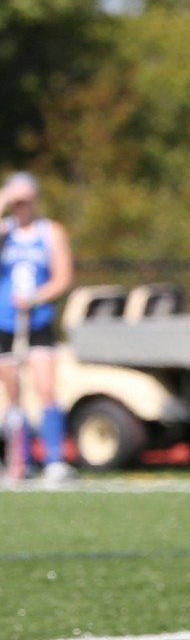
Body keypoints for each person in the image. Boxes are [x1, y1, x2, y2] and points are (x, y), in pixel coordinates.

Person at [0, 173, 74, 485]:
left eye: (26, 200)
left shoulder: (51, 232)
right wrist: (3, 199)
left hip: (38, 322)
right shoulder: (5, 231)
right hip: (5, 323)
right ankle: (20, 460)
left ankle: (54, 460)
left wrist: (34, 298)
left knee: (45, 389)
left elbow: (62, 277)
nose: (22, 206)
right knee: (13, 394)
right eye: (17, 202)